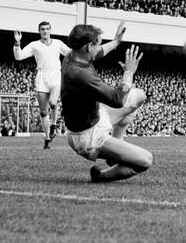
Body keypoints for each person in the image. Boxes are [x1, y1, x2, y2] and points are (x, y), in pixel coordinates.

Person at [14, 19, 126, 148]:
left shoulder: (57, 43)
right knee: (43, 112)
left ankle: (54, 124)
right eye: (42, 29)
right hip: (42, 76)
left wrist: (112, 44)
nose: (45, 31)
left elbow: (73, 53)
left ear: (50, 30)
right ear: (38, 31)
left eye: (47, 29)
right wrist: (17, 43)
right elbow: (19, 56)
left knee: (53, 102)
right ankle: (47, 138)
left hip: (55, 74)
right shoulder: (34, 45)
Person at [59, 25, 151, 182]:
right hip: (87, 137)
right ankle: (101, 175)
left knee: (139, 96)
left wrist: (116, 42)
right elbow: (117, 99)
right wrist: (128, 73)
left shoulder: (72, 55)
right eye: (98, 43)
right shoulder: (80, 74)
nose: (100, 47)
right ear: (89, 46)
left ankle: (114, 152)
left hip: (96, 118)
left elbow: (100, 52)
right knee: (145, 160)